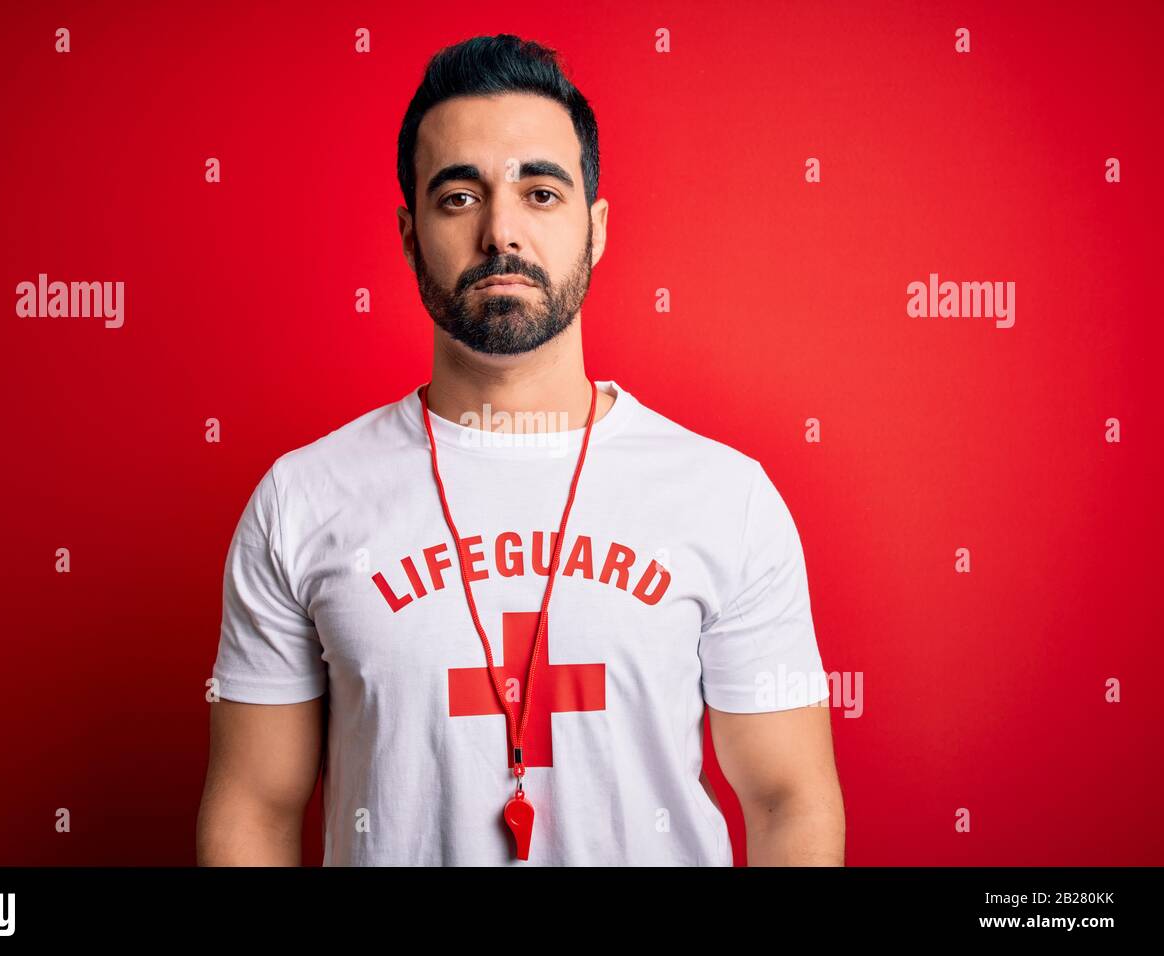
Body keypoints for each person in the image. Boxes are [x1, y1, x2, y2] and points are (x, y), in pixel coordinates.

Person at [196, 33, 844, 866]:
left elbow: (792, 801)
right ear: (407, 234)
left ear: (596, 227)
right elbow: (252, 809)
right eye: (458, 197)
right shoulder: (302, 499)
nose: (501, 233)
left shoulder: (726, 497)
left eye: (541, 192)